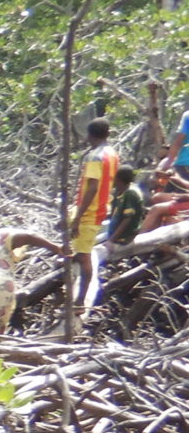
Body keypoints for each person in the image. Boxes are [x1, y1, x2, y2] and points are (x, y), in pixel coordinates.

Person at [68, 117, 119, 309]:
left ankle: (80, 300)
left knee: (84, 256)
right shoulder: (112, 153)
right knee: (79, 252)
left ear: (89, 135)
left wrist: (78, 218)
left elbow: (92, 188)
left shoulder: (95, 156)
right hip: (101, 207)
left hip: (90, 212)